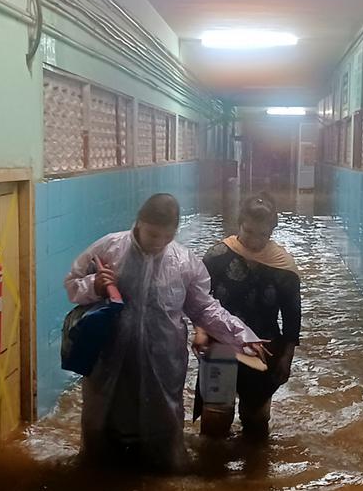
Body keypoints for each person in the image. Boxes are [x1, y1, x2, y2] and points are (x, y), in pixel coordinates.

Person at [65, 193, 267, 471]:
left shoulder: (184, 262)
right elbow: (73, 285)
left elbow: (204, 308)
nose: (158, 242)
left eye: (166, 236)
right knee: (104, 417)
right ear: (138, 222)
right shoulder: (109, 248)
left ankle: (164, 472)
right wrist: (95, 286)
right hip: (110, 357)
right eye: (152, 234)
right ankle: (99, 470)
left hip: (162, 360)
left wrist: (242, 335)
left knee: (163, 422)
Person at [193, 194, 301, 440]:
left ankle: (255, 475)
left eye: (263, 235)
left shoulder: (283, 267)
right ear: (239, 223)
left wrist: (286, 358)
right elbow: (199, 300)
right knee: (215, 421)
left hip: (263, 350)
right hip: (219, 346)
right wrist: (200, 332)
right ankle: (213, 474)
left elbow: (292, 316)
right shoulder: (217, 257)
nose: (254, 241)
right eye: (249, 231)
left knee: (256, 423)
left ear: (272, 231)